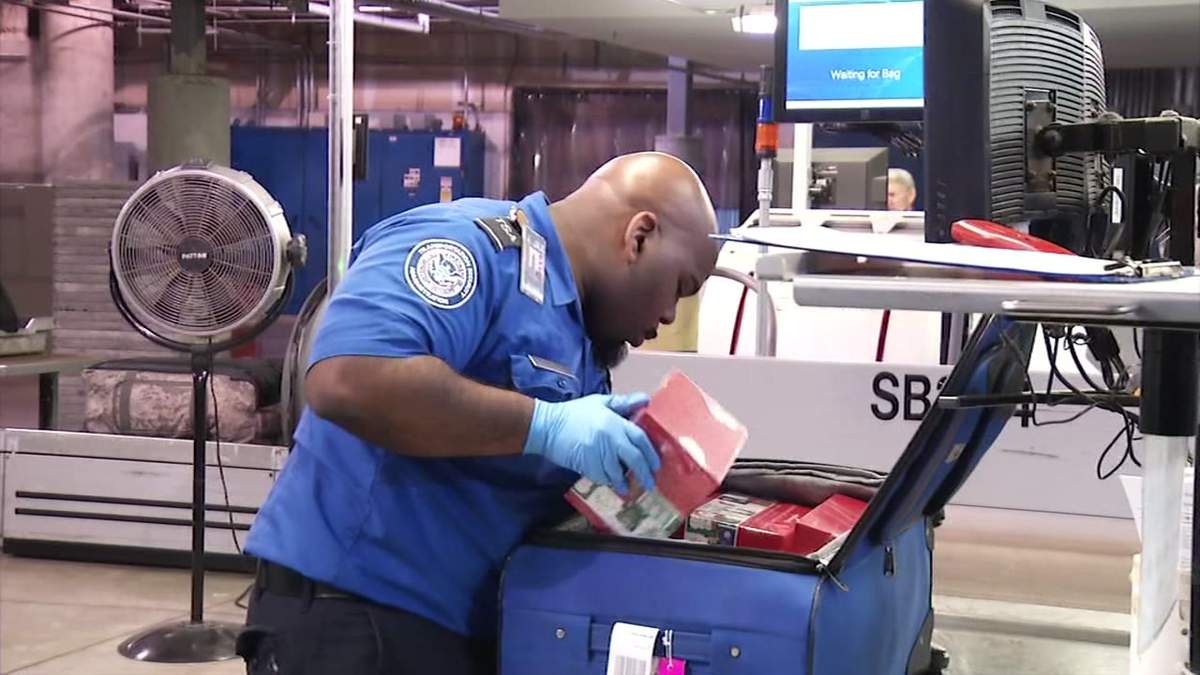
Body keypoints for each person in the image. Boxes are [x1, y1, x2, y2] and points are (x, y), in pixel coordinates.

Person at [236, 152, 720, 675]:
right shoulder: (471, 248)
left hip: (455, 632)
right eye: (680, 287)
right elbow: (347, 379)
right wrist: (544, 425)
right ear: (639, 236)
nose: (669, 314)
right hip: (354, 623)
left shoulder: (579, 332)